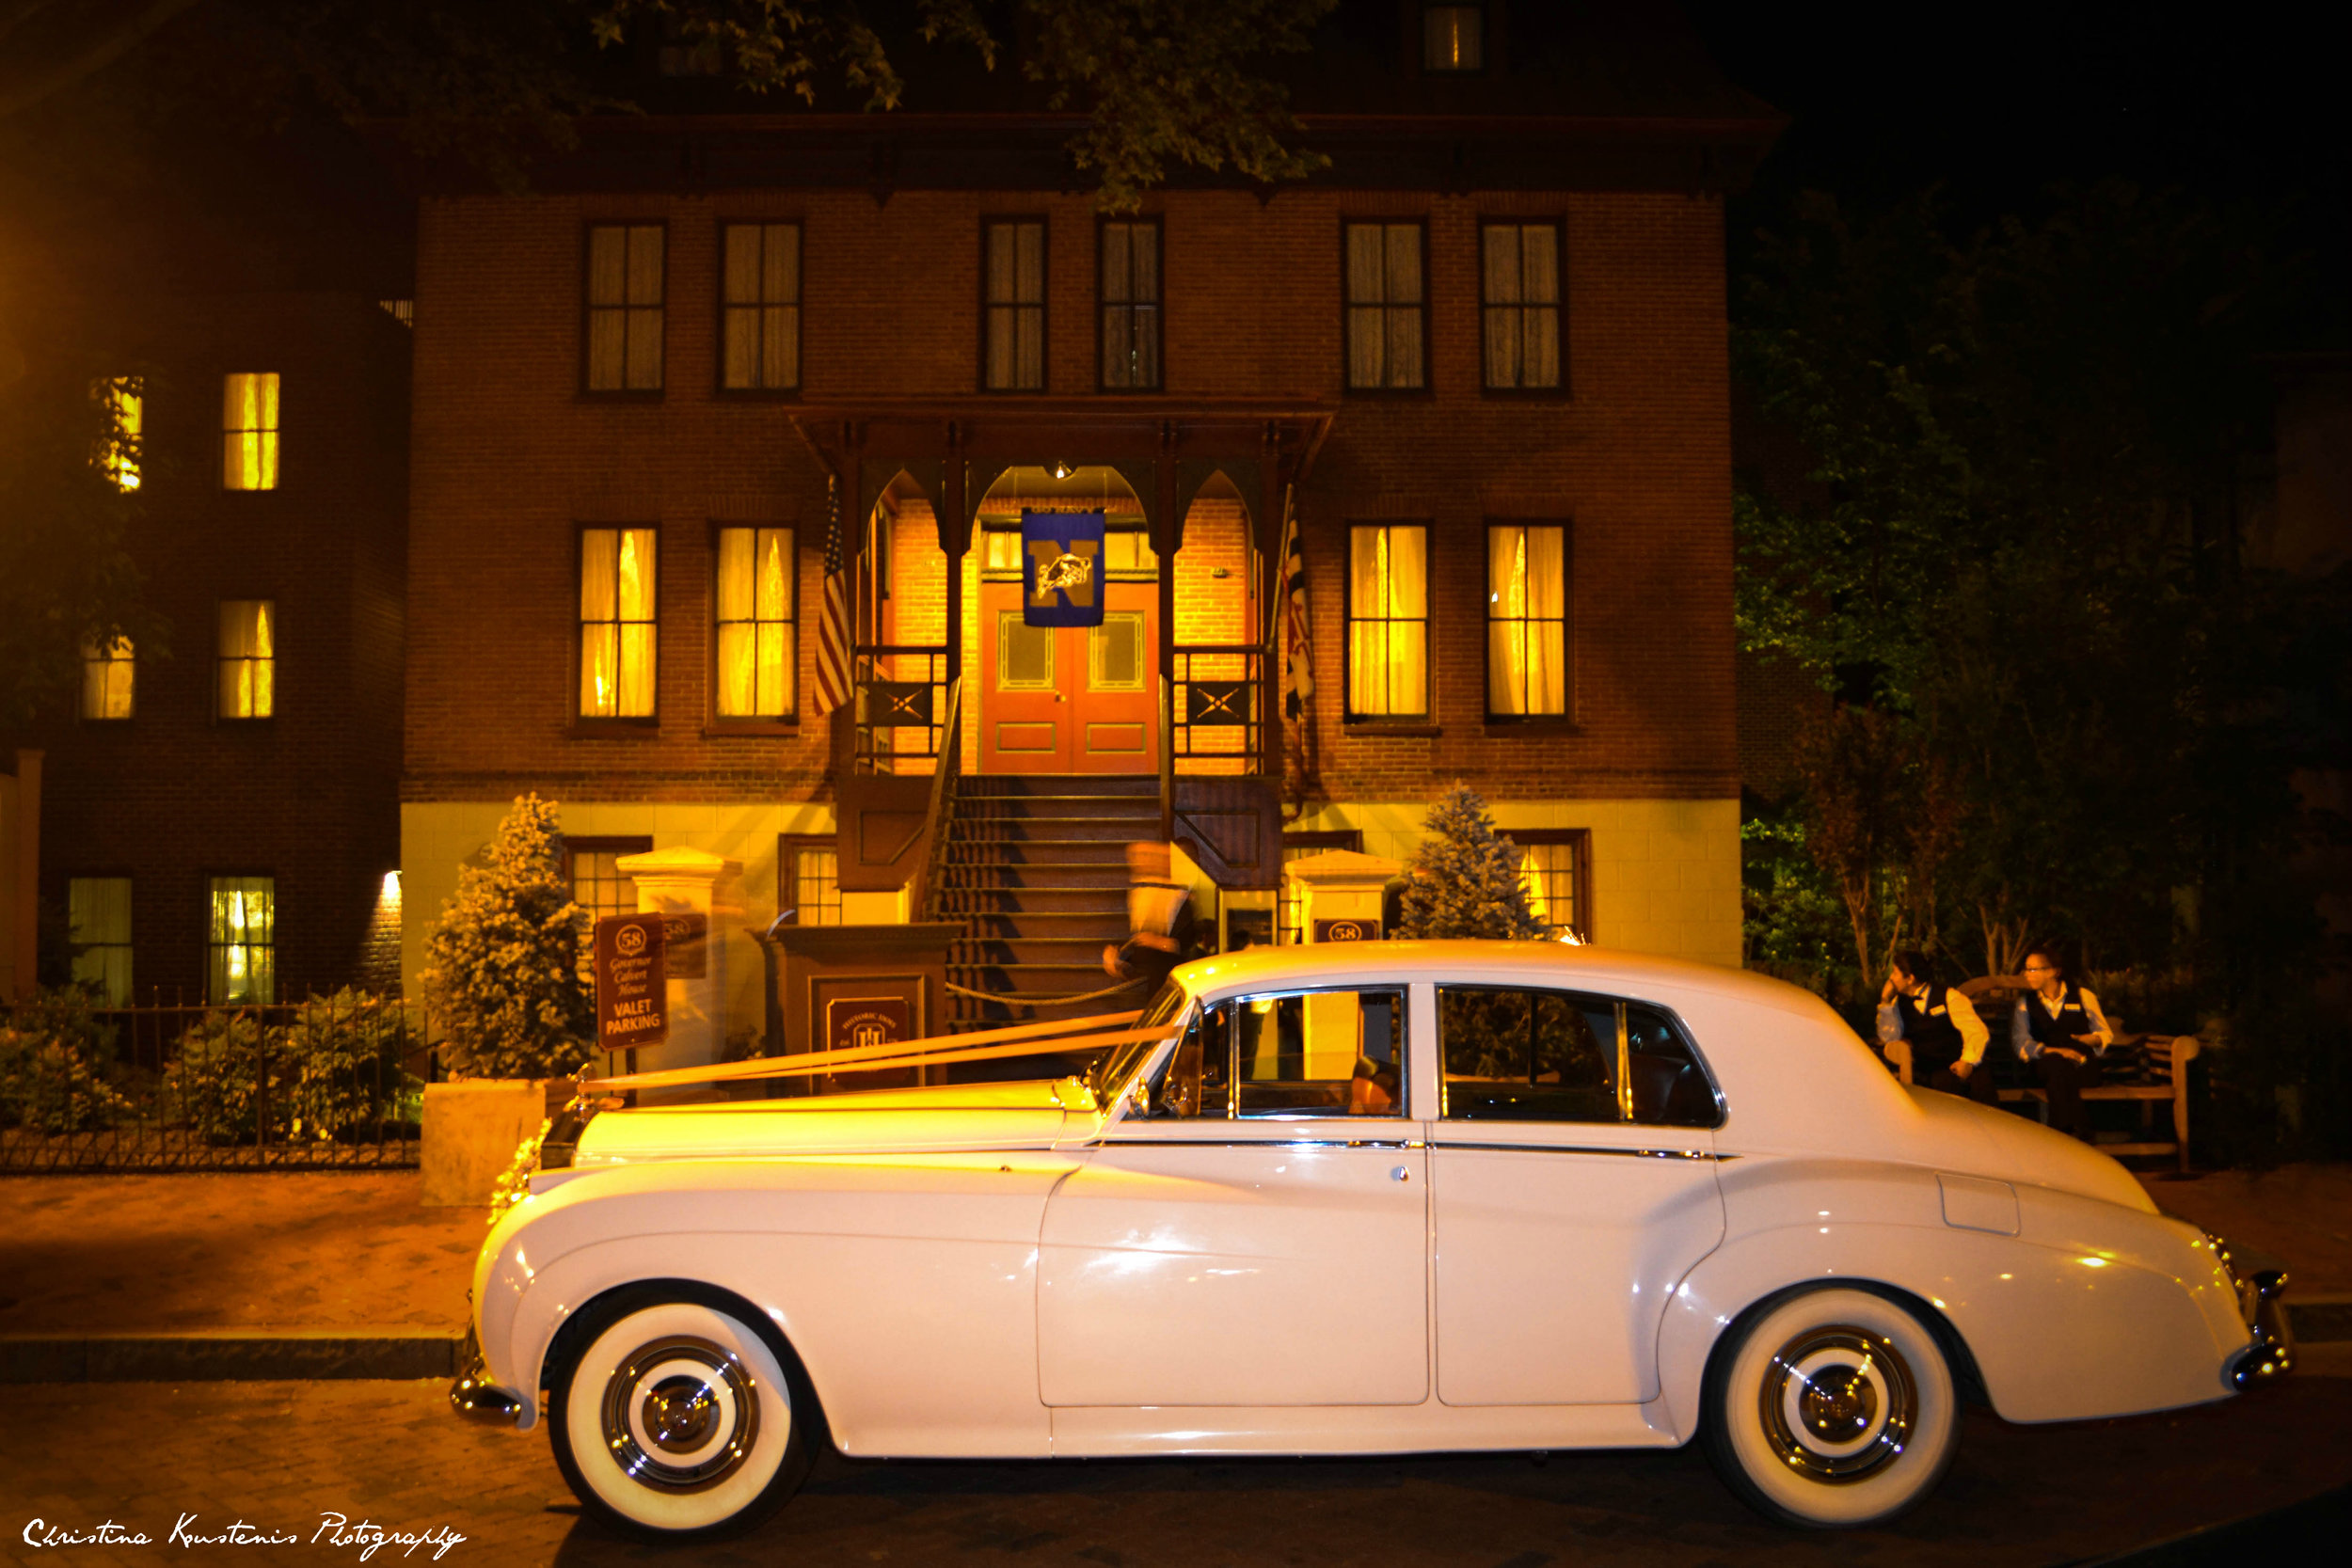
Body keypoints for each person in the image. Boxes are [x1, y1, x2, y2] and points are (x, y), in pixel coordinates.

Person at [2010, 948, 2116, 1141]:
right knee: (2057, 1065)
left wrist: (2094, 1039)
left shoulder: (2083, 996)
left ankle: (2062, 1133)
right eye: (2026, 969)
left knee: (2062, 1072)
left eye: (2034, 969)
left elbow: (2104, 1032)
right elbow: (2021, 1041)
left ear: (2053, 972)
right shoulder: (2026, 1003)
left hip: (2081, 1064)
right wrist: (2056, 1051)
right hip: (2044, 1065)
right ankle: (2077, 1130)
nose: (2027, 974)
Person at [1877, 950, 1995, 1103]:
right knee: (1940, 1085)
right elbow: (1889, 1037)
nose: (1891, 979)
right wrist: (1885, 1001)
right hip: (1929, 1069)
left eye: (1894, 973)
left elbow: (1975, 1030)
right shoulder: (1899, 1004)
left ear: (1910, 978)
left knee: (1980, 1083)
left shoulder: (1949, 996)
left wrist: (1967, 1061)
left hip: (1960, 1061)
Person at [1103, 841, 1191, 997]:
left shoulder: (1181, 897)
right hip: (1144, 989)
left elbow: (1188, 946)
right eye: (1136, 857)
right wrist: (1117, 959)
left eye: (1148, 856)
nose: (1140, 862)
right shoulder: (1137, 895)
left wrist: (1158, 942)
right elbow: (1137, 946)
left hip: (1172, 988)